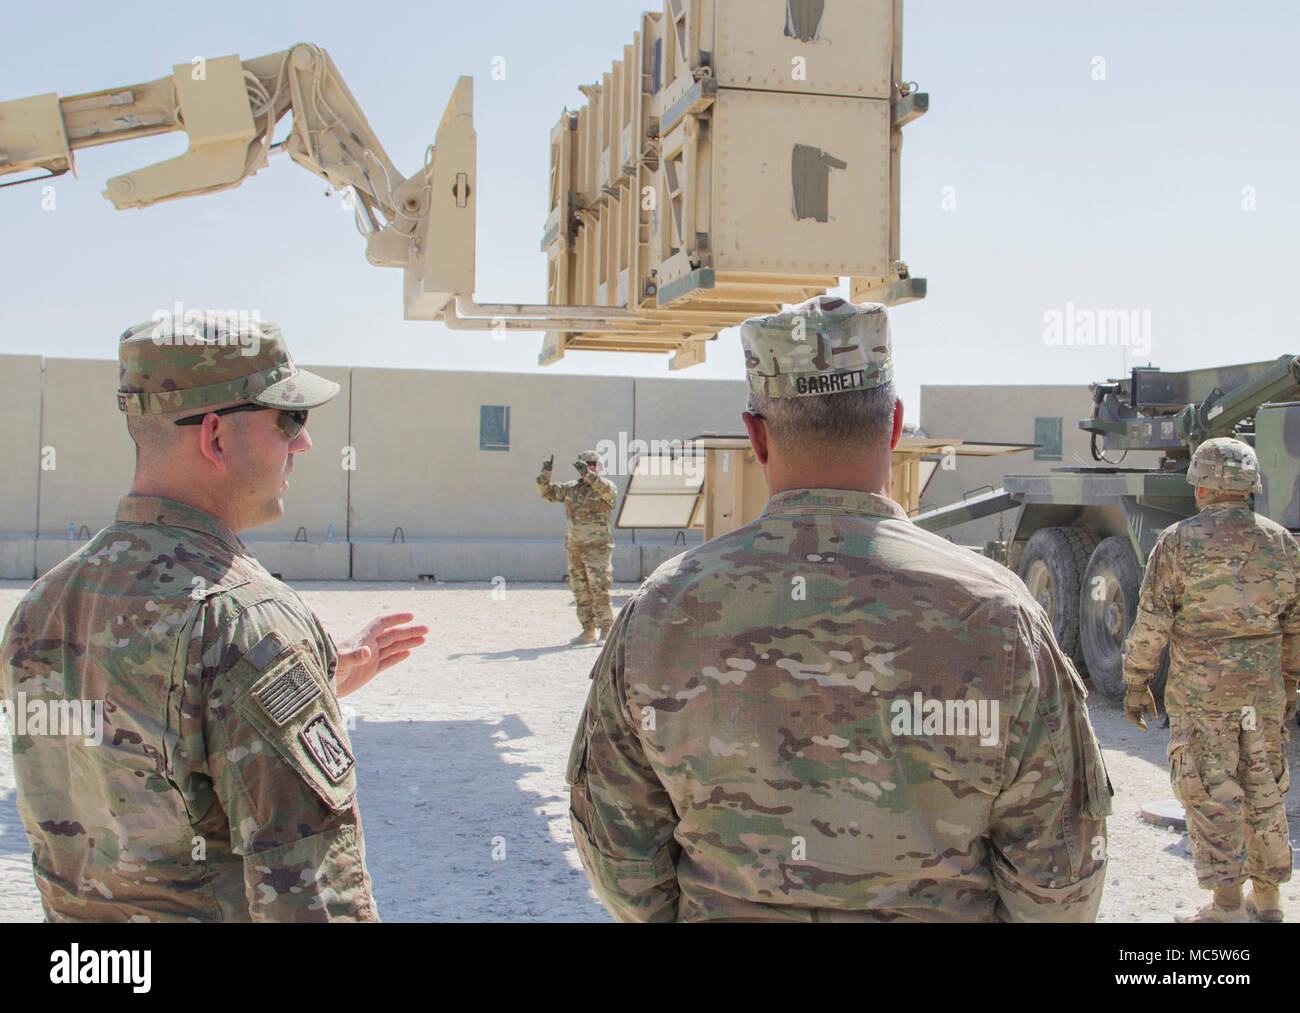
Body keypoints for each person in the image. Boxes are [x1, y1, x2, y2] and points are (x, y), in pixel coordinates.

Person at [565, 295, 1113, 922]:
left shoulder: (660, 611)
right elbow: (1060, 879)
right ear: (896, 423)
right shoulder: (997, 615)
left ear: (757, 435)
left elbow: (618, 850)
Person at [0, 315, 428, 922]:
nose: (303, 443)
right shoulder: (247, 622)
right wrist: (285, 665)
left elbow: (153, 738)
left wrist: (319, 677)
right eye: (290, 420)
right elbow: (313, 900)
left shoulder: (44, 605)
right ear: (215, 438)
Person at [1123, 436, 1300, 923]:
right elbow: (1295, 627)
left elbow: (1153, 622)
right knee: (1264, 788)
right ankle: (1267, 902)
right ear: (1251, 486)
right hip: (1261, 697)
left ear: (1199, 486)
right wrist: (1289, 685)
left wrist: (1136, 683)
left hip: (1203, 698)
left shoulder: (1178, 542)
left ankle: (1226, 908)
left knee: (1212, 791)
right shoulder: (1282, 543)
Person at [537, 451, 618, 644]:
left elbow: (608, 493)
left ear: (598, 466)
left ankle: (606, 630)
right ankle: (587, 630)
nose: (589, 467)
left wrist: (590, 476)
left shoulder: (604, 487)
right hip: (575, 547)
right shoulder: (572, 489)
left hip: (597, 548)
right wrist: (545, 473)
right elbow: (547, 493)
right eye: (585, 464)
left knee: (599, 588)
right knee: (580, 589)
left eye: (592, 464)